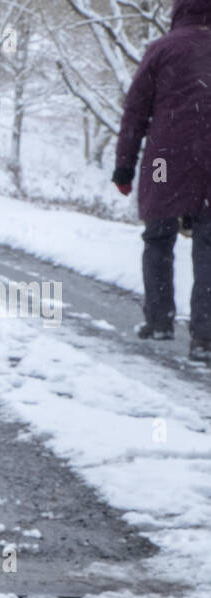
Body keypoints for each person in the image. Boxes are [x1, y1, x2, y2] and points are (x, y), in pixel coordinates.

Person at [114, 0, 211, 364]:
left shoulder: (163, 49)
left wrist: (124, 168)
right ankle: (204, 338)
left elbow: (135, 111)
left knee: (158, 237)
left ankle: (158, 322)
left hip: (163, 161)